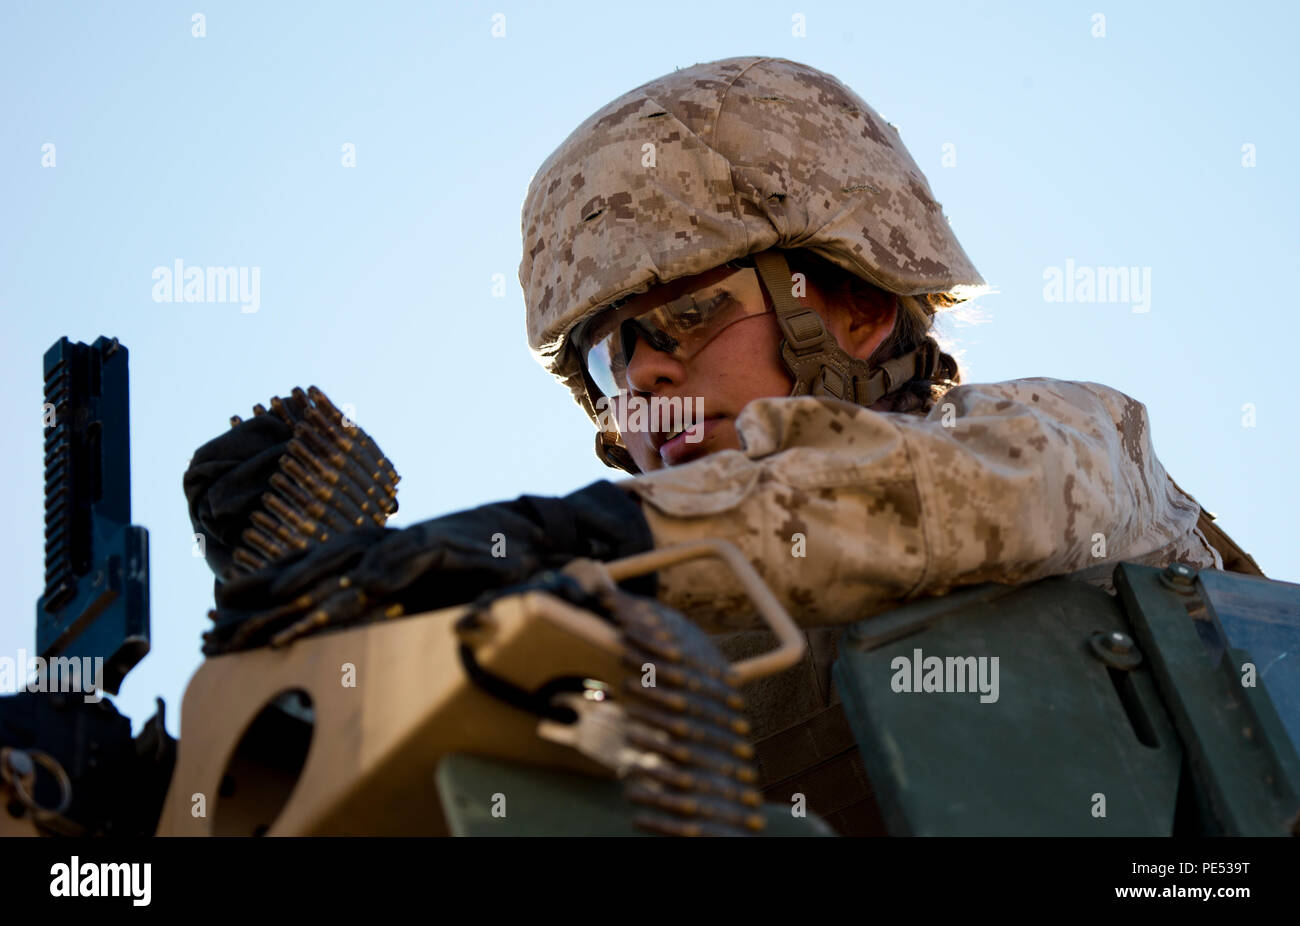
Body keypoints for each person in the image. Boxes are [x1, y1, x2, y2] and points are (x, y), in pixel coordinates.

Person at [186, 55, 1264, 836]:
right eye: (614, 358)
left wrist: (577, 537)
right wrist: (296, 661)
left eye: (687, 317)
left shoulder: (1063, 446)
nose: (647, 372)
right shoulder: (631, 649)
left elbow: (944, 497)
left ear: (849, 306)